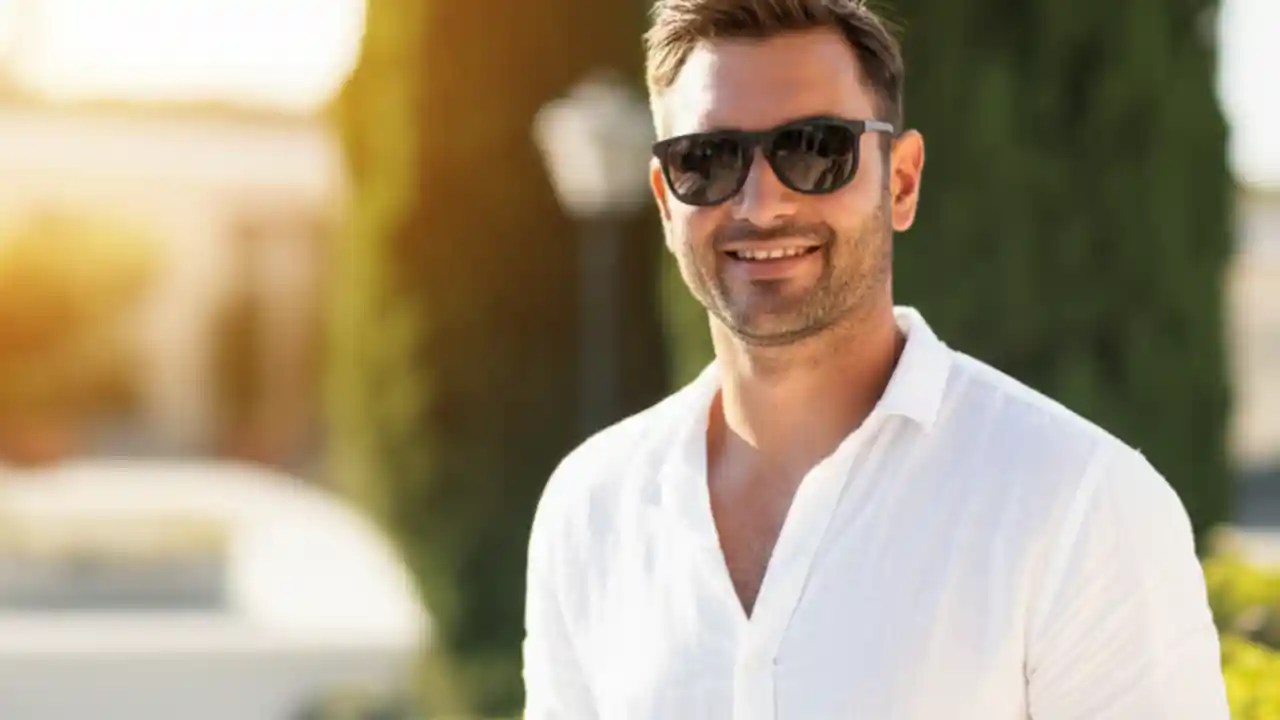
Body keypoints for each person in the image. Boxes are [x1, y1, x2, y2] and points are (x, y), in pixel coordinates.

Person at [522, 1, 1229, 717]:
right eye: (706, 159)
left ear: (901, 181)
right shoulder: (590, 509)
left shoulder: (1080, 502)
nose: (761, 203)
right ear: (666, 202)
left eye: (815, 148)